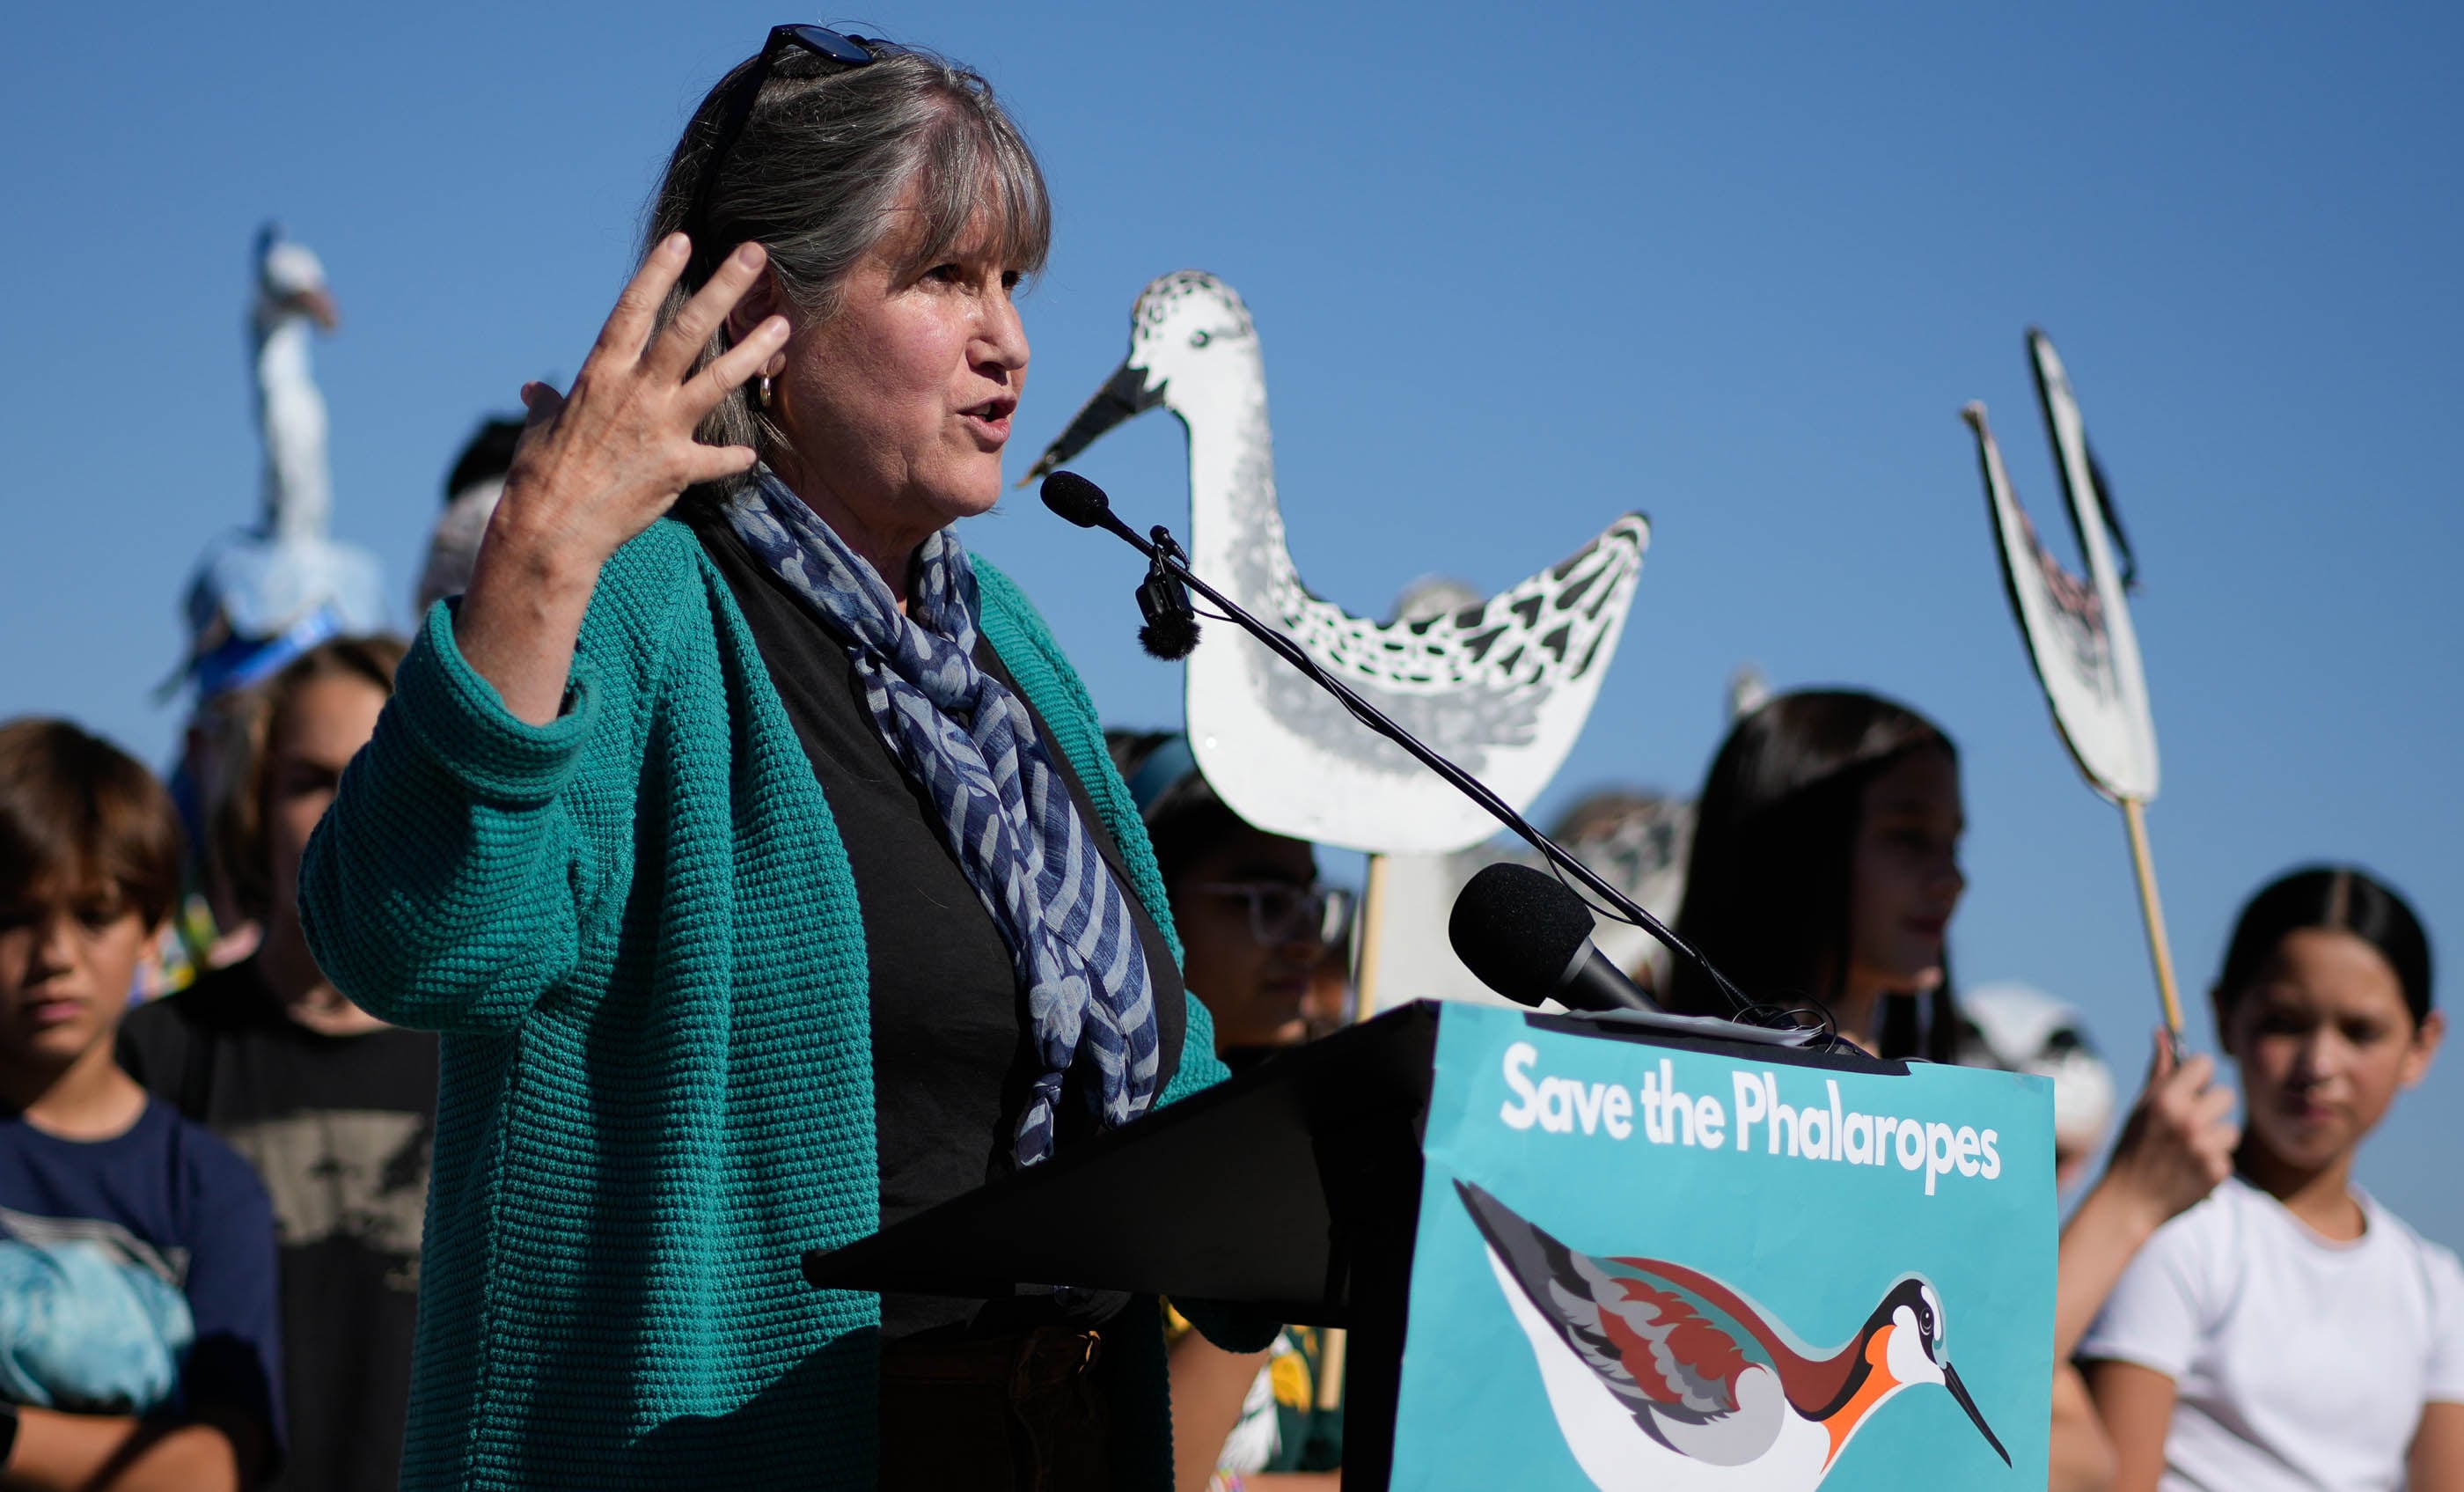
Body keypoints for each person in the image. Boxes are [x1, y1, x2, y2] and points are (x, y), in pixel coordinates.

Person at [294, 28, 1264, 1492]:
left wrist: (1356, 1181)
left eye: (1011, 282)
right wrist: (539, 559)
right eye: (942, 278)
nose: (1007, 338)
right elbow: (414, 941)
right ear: (768, 316)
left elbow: (1160, 1056)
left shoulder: (1007, 649)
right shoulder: (639, 603)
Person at [120, 636, 435, 1492]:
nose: (349, 806)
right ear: (254, 804)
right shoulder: (152, 1055)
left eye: (383, 768)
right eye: (310, 780)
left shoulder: (495, 1063)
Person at [2080, 866, 2461, 1491]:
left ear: (2421, 1044)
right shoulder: (2181, 1234)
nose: (2319, 1063)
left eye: (2360, 1031)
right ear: (2226, 1016)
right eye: (2285, 1022)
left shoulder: (2435, 1288)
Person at [0, 719, 283, 1491]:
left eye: (95, 915)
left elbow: (214, 1463)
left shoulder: (208, 1190)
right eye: (14, 917)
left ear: (153, 928)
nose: (55, 956)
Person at [1108, 733, 1343, 1492]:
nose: (1307, 941)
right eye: (1266, 902)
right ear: (1148, 900)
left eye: (1312, 900)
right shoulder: (1098, 1167)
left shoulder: (1307, 1151)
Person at [1661, 689, 1967, 1058]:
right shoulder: (1685, 1094)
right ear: (1797, 846)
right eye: (1908, 838)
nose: (1952, 881)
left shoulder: (1952, 1109)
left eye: (1952, 845)